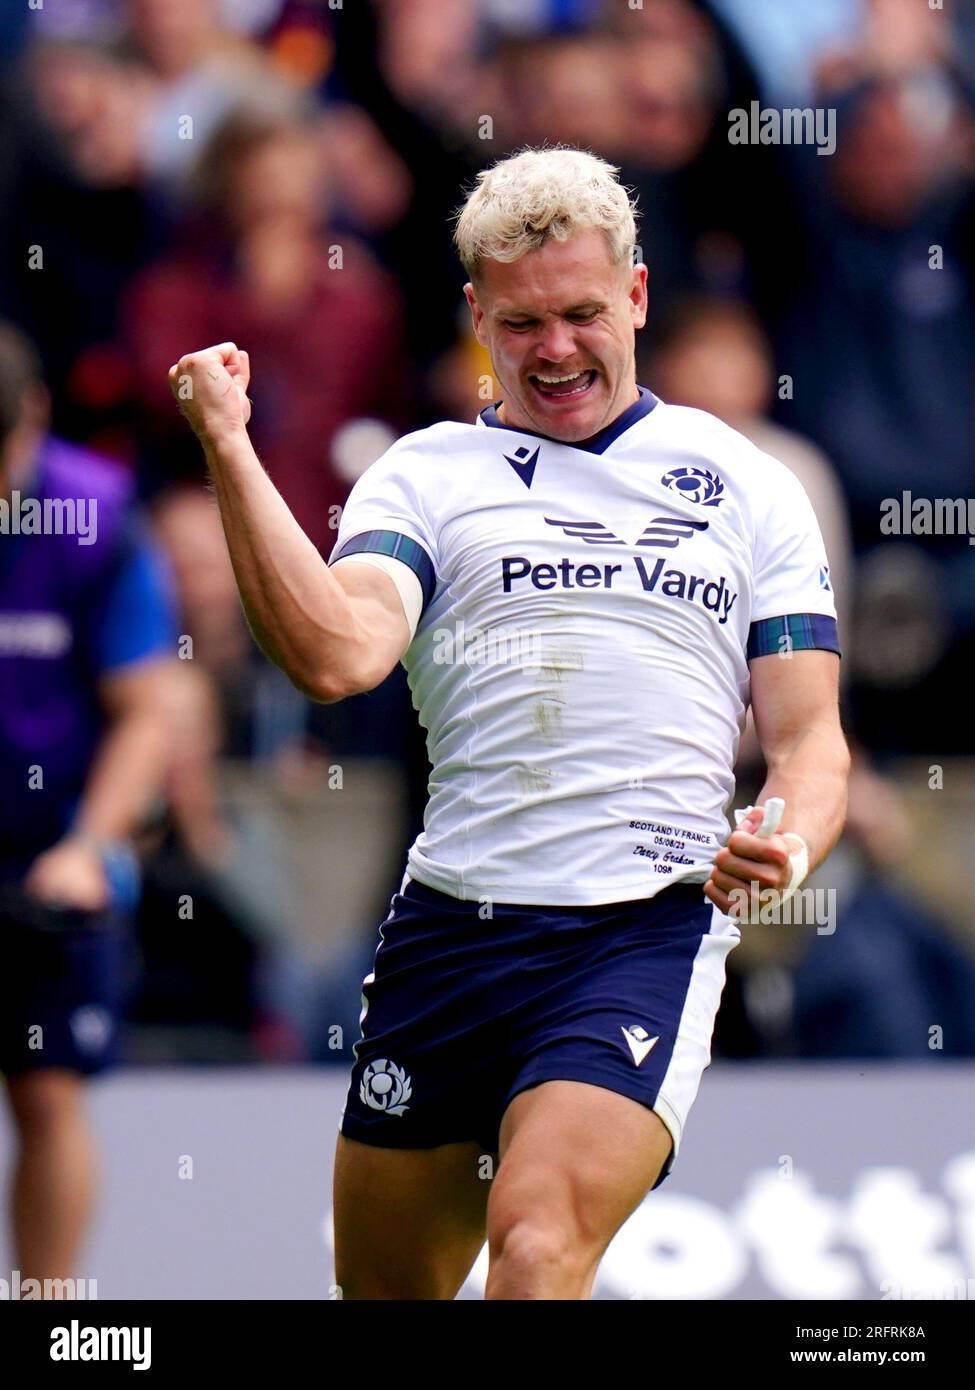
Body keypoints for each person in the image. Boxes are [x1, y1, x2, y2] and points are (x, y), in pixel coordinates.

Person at [168, 148, 849, 1301]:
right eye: (522, 321)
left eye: (584, 313)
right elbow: (336, 652)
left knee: (536, 1252)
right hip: (453, 931)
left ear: (634, 297)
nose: (556, 349)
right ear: (478, 315)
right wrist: (230, 448)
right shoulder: (426, 476)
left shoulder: (747, 484)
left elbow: (811, 738)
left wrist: (786, 832)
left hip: (642, 931)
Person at [0, 322, 177, 1288]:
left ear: (32, 420)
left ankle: (48, 1306)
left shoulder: (97, 517)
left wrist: (88, 845)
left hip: (50, 851)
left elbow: (148, 710)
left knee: (48, 1095)